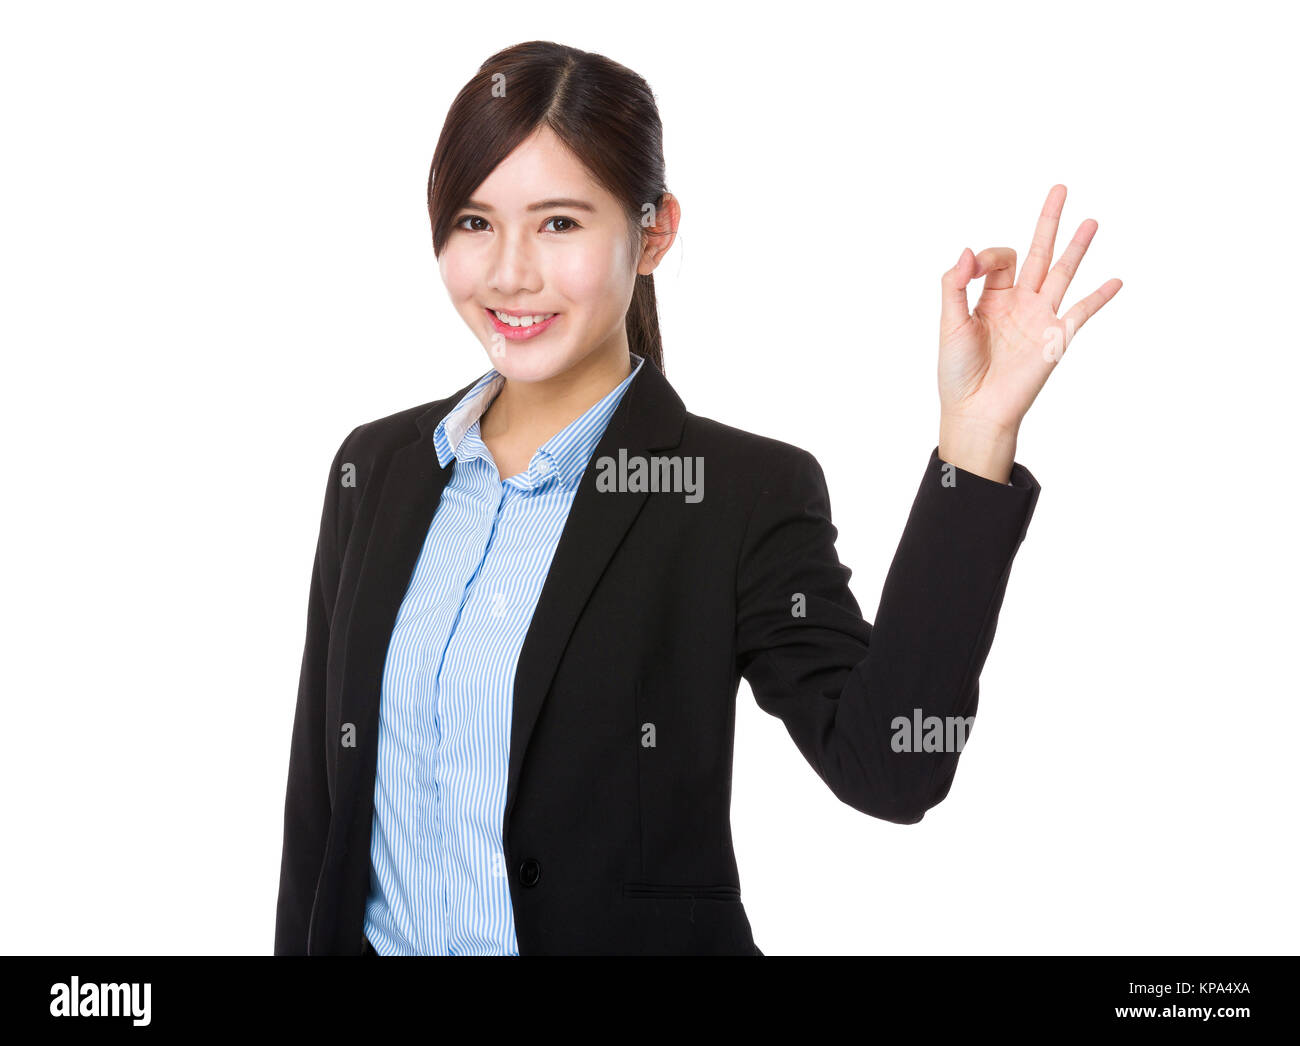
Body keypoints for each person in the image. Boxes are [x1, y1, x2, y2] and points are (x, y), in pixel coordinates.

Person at [275, 40, 1121, 957]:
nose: (509, 272)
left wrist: (976, 439)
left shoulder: (738, 496)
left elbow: (893, 767)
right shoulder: (380, 469)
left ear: (655, 233)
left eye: (560, 224)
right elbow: (320, 820)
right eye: (475, 222)